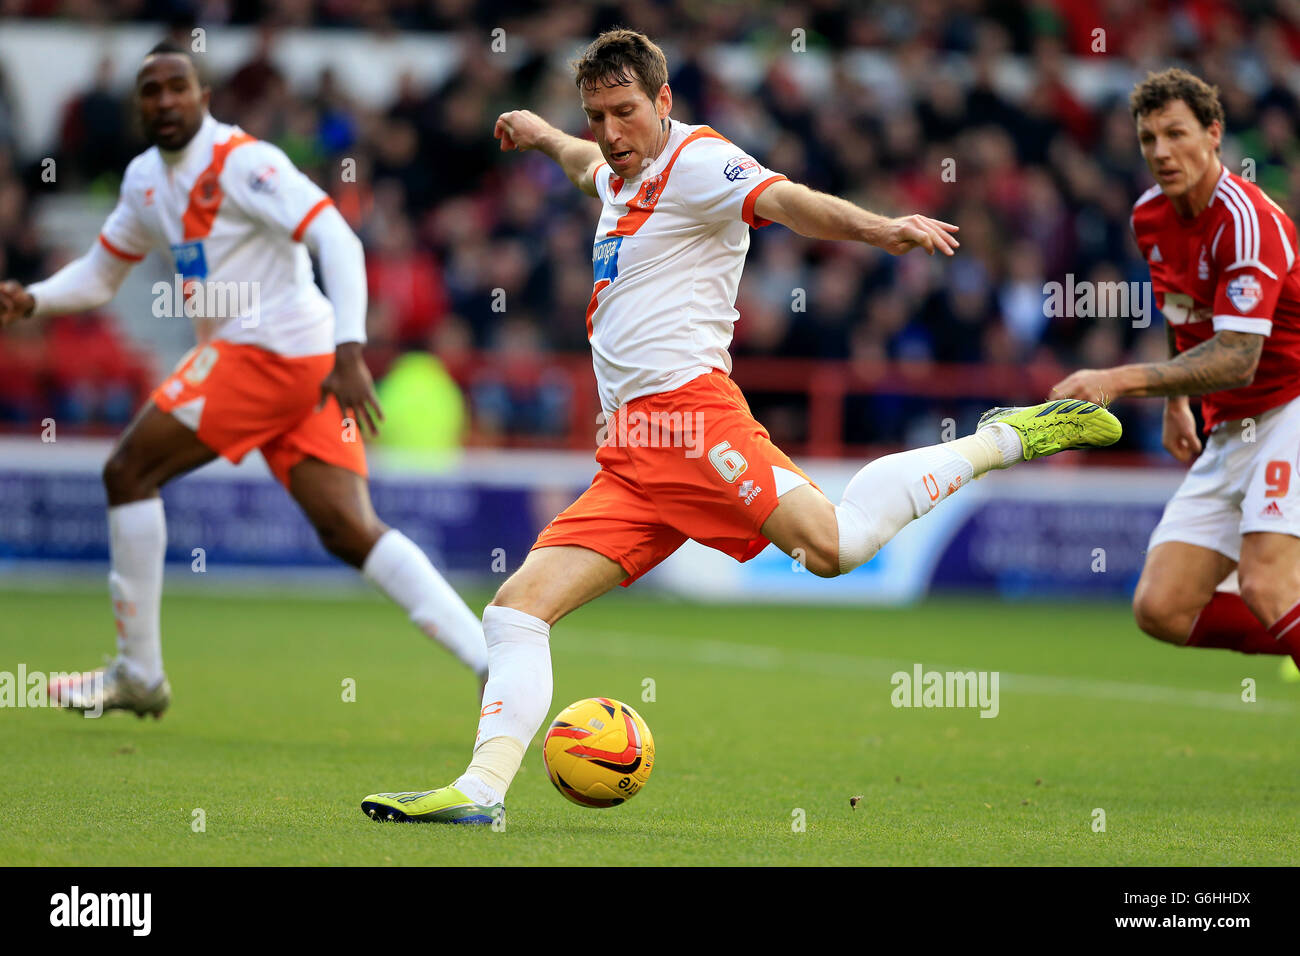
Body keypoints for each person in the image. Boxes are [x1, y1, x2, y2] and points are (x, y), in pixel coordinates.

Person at [361, 29, 1120, 825]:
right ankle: (479, 793)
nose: (611, 133)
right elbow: (582, 164)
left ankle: (1004, 438)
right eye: (595, 115)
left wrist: (878, 228)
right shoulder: (615, 173)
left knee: (835, 547)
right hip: (630, 453)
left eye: (625, 112)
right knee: (514, 611)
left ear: (663, 102)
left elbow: (786, 201)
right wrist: (541, 132)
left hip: (691, 420)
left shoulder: (696, 161)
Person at [0, 43, 487, 716]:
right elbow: (102, 274)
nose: (165, 100)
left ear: (205, 96)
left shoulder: (244, 163)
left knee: (128, 472)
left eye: (178, 87)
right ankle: (494, 662)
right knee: (350, 528)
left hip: (272, 352)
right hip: (293, 364)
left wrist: (352, 348)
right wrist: (35, 299)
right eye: (151, 91)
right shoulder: (146, 179)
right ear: (140, 104)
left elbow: (337, 238)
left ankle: (139, 675)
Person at [1050, 68, 1300, 672]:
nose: (1162, 152)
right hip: (1231, 426)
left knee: (1266, 584)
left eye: (1177, 134)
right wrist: (1175, 401)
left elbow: (1238, 358)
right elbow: (1181, 309)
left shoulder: (1247, 222)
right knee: (1162, 607)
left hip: (1291, 403)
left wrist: (1117, 380)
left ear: (1214, 134)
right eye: (1149, 139)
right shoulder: (1149, 217)